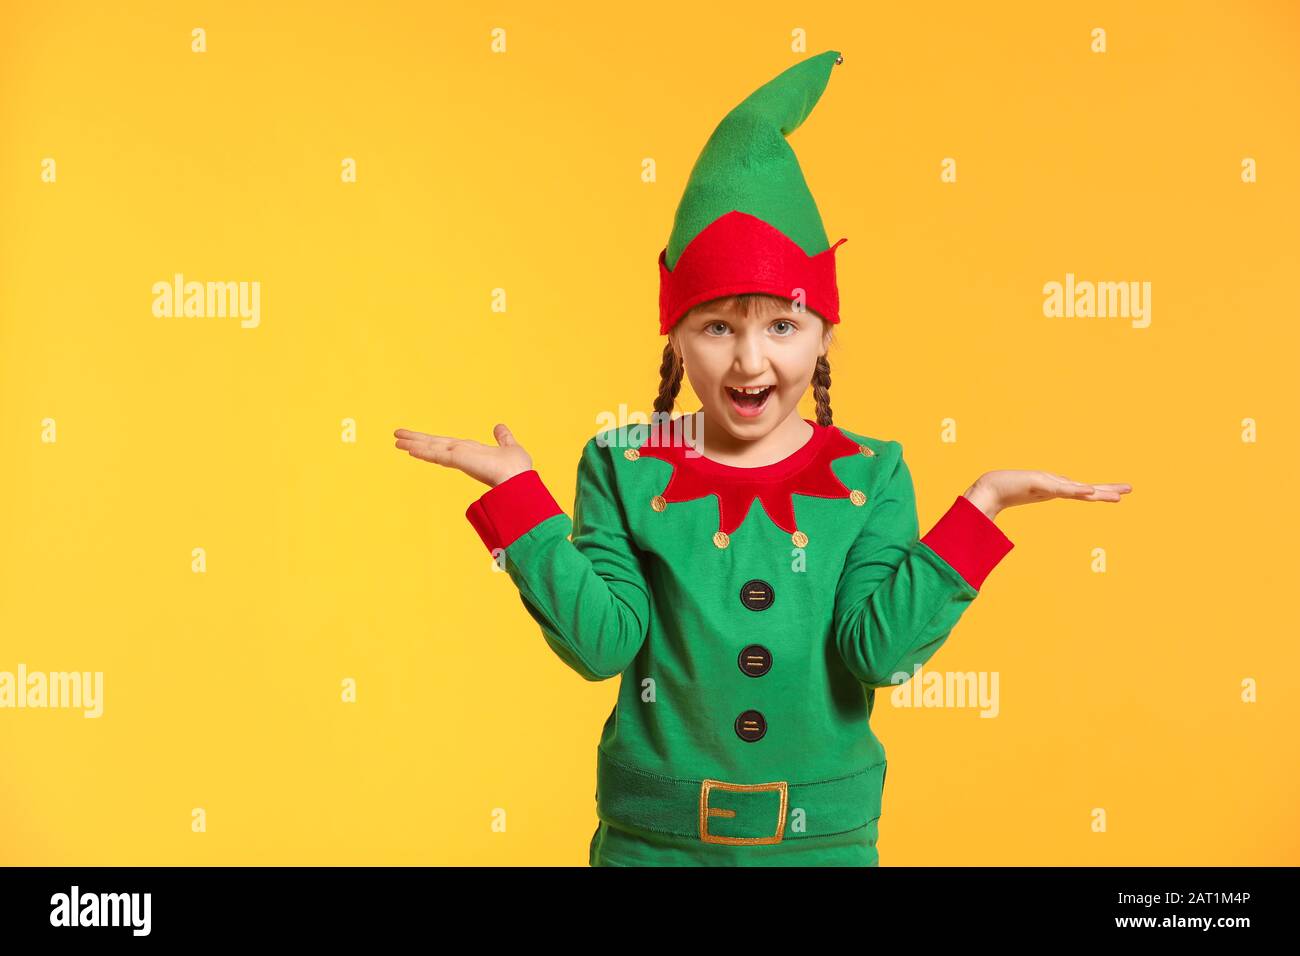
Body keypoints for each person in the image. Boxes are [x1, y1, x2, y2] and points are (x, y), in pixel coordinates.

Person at [394, 49, 1132, 865]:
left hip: (824, 845)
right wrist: (522, 508)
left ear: (824, 337)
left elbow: (880, 656)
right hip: (653, 846)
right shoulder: (621, 463)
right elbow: (601, 645)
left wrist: (979, 512)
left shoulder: (873, 472)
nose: (750, 363)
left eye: (782, 325)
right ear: (675, 336)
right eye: (718, 327)